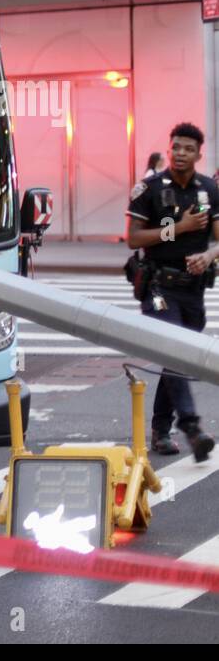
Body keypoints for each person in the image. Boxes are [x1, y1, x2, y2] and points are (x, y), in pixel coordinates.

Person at [126, 122, 219, 460]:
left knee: (176, 357)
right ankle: (192, 427)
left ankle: (160, 430)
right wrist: (179, 229)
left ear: (198, 153)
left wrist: (207, 256)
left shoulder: (209, 189)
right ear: (169, 149)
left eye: (187, 149)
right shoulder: (148, 188)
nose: (180, 154)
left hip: (193, 289)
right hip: (158, 288)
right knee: (174, 349)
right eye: (175, 147)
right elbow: (134, 237)